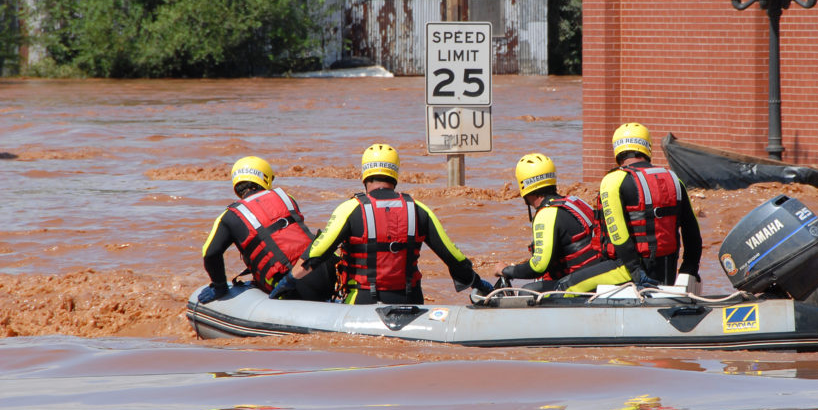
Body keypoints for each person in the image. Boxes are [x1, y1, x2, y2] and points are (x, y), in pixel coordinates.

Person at [276, 143, 493, 304]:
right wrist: (477, 282)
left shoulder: (349, 209)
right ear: (395, 173)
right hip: (411, 302)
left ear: (365, 173)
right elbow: (453, 257)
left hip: (361, 302)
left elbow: (316, 254)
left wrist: (286, 283)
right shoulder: (419, 209)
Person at [199, 156, 336, 303]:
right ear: (265, 178)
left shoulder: (229, 217)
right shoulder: (286, 198)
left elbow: (210, 253)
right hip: (325, 271)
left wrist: (220, 286)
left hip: (291, 286)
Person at [496, 153, 630, 294]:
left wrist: (506, 270)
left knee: (528, 291)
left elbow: (538, 267)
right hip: (602, 273)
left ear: (524, 186)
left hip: (582, 284)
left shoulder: (546, 214)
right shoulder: (575, 201)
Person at [598, 123, 702, 289]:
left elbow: (618, 234)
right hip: (667, 272)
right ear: (647, 147)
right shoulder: (674, 179)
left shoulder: (613, 180)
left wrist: (636, 272)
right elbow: (693, 234)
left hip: (629, 273)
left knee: (567, 285)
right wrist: (689, 269)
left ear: (617, 150)